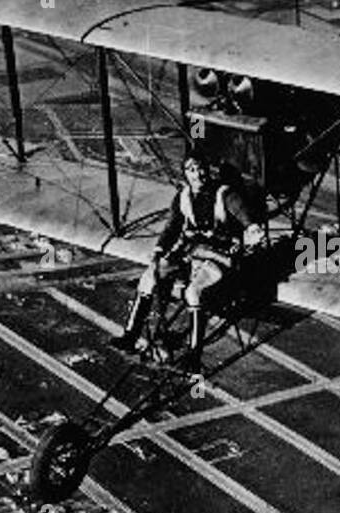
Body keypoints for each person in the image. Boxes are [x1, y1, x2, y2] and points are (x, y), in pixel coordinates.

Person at [111, 148, 263, 370]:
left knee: (193, 292)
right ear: (185, 173)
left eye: (200, 169)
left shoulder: (224, 195)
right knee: (149, 277)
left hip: (218, 256)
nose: (197, 174)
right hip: (190, 253)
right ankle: (130, 335)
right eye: (191, 170)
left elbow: (242, 214)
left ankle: (193, 355)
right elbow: (172, 228)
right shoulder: (183, 197)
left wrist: (252, 227)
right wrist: (157, 255)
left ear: (207, 171)